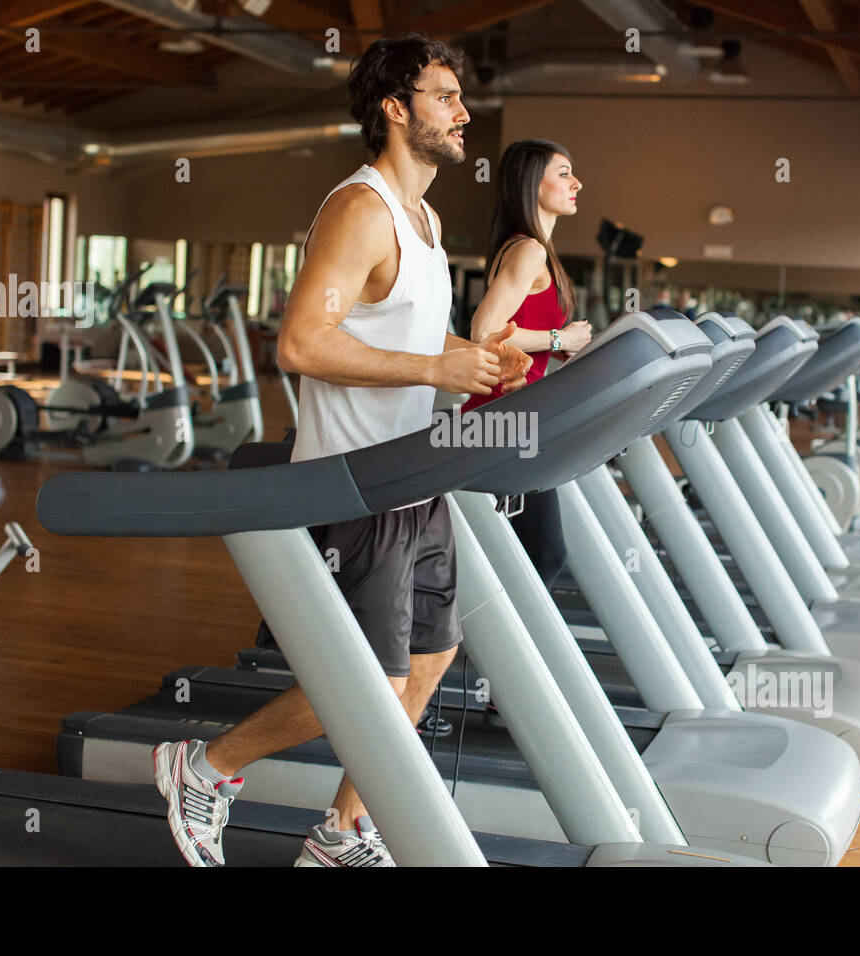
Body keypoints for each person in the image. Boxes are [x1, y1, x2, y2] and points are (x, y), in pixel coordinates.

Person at [151, 35, 530, 869]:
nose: (463, 113)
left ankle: (344, 829)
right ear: (395, 109)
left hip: (414, 479)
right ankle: (204, 766)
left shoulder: (426, 220)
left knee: (431, 659)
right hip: (354, 488)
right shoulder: (360, 210)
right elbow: (300, 343)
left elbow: (403, 341)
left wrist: (474, 355)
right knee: (368, 688)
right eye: (442, 97)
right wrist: (437, 364)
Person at [462, 140, 592, 590]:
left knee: (530, 554)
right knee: (544, 554)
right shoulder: (529, 250)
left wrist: (560, 348)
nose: (576, 183)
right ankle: (482, 650)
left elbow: (517, 330)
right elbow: (485, 330)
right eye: (563, 173)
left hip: (515, 417)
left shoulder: (536, 250)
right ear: (531, 184)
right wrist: (560, 337)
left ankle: (485, 649)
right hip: (501, 417)